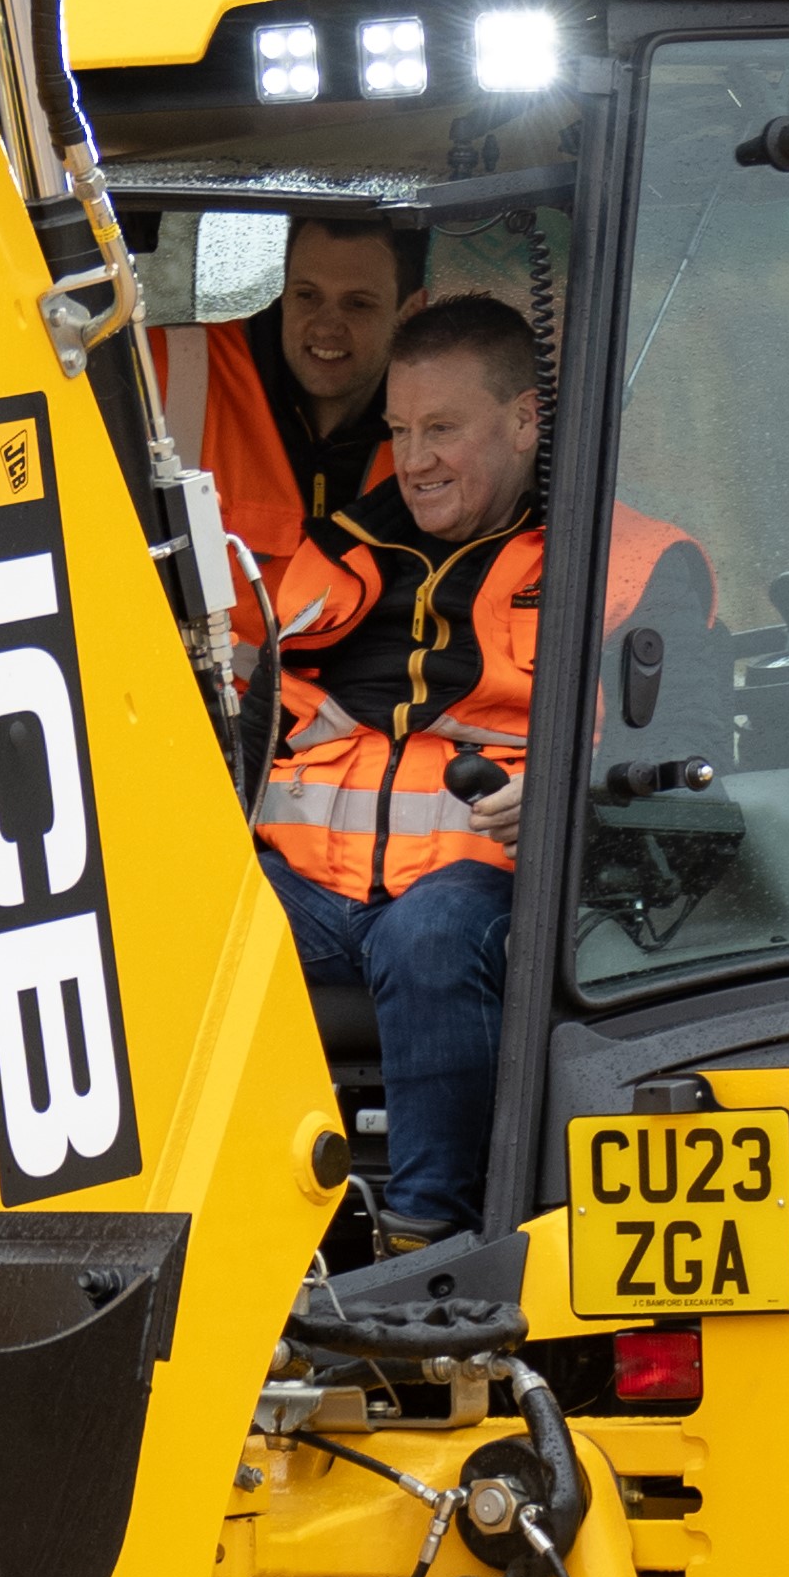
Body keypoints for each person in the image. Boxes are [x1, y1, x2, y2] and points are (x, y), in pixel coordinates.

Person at [256, 292, 706, 1245]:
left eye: (443, 430)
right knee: (154, 920)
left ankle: (427, 1244)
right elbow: (265, 721)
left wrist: (565, 802)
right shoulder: (337, 547)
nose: (414, 460)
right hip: (308, 898)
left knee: (428, 936)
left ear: (525, 420)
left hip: (503, 903)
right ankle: (227, 1233)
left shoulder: (631, 565)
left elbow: (695, 772)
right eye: (400, 429)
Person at [164, 213, 420, 560]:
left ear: (410, 312)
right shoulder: (172, 367)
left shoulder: (445, 426)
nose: (327, 326)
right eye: (307, 295)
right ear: (283, 293)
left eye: (357, 303)